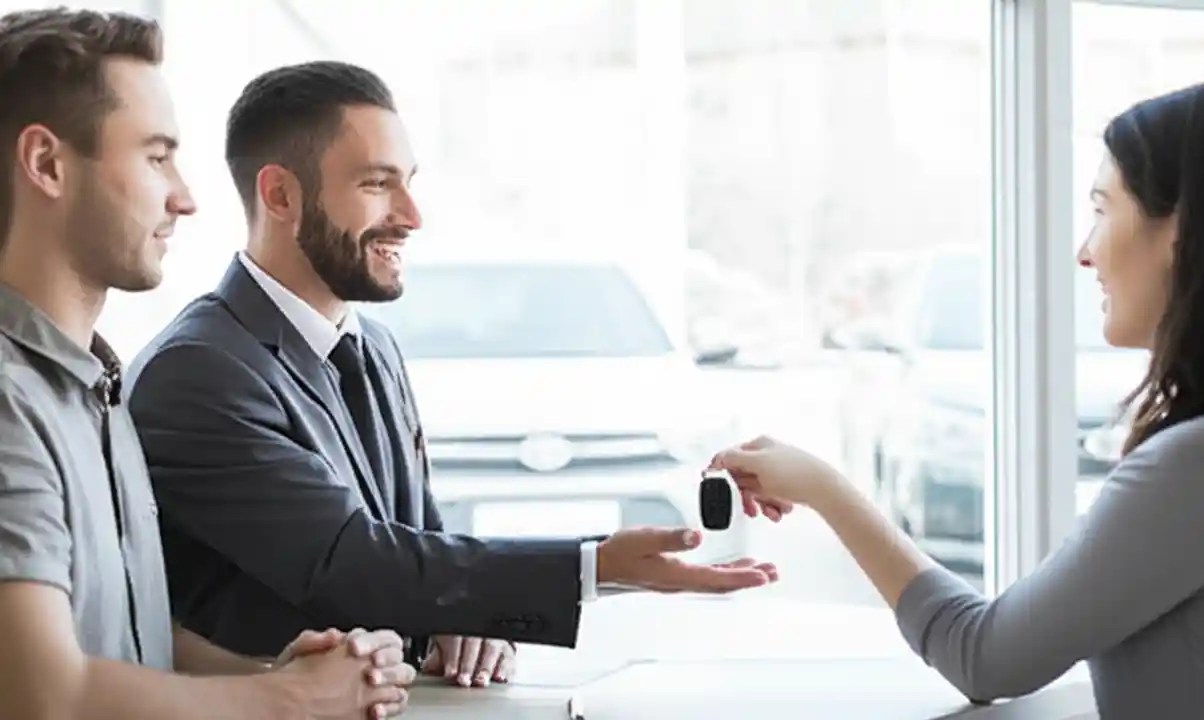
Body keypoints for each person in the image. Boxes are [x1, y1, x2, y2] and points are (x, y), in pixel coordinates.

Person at [124, 59, 782, 689]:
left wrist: (465, 618)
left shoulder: (373, 347)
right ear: (281, 195)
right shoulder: (199, 372)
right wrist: (595, 565)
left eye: (408, 182)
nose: (411, 216)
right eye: (377, 184)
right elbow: (347, 563)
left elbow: (420, 546)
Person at [710, 75, 1204, 719]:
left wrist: (824, 488)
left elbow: (986, 656)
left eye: (1102, 210)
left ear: (1181, 232)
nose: (1084, 252)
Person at [0, 9, 420, 720]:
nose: (185, 197)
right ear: (46, 164)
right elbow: (42, 692)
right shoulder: (11, 403)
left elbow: (127, 632)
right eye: (156, 157)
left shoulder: (92, 387)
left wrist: (270, 672)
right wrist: (287, 698)